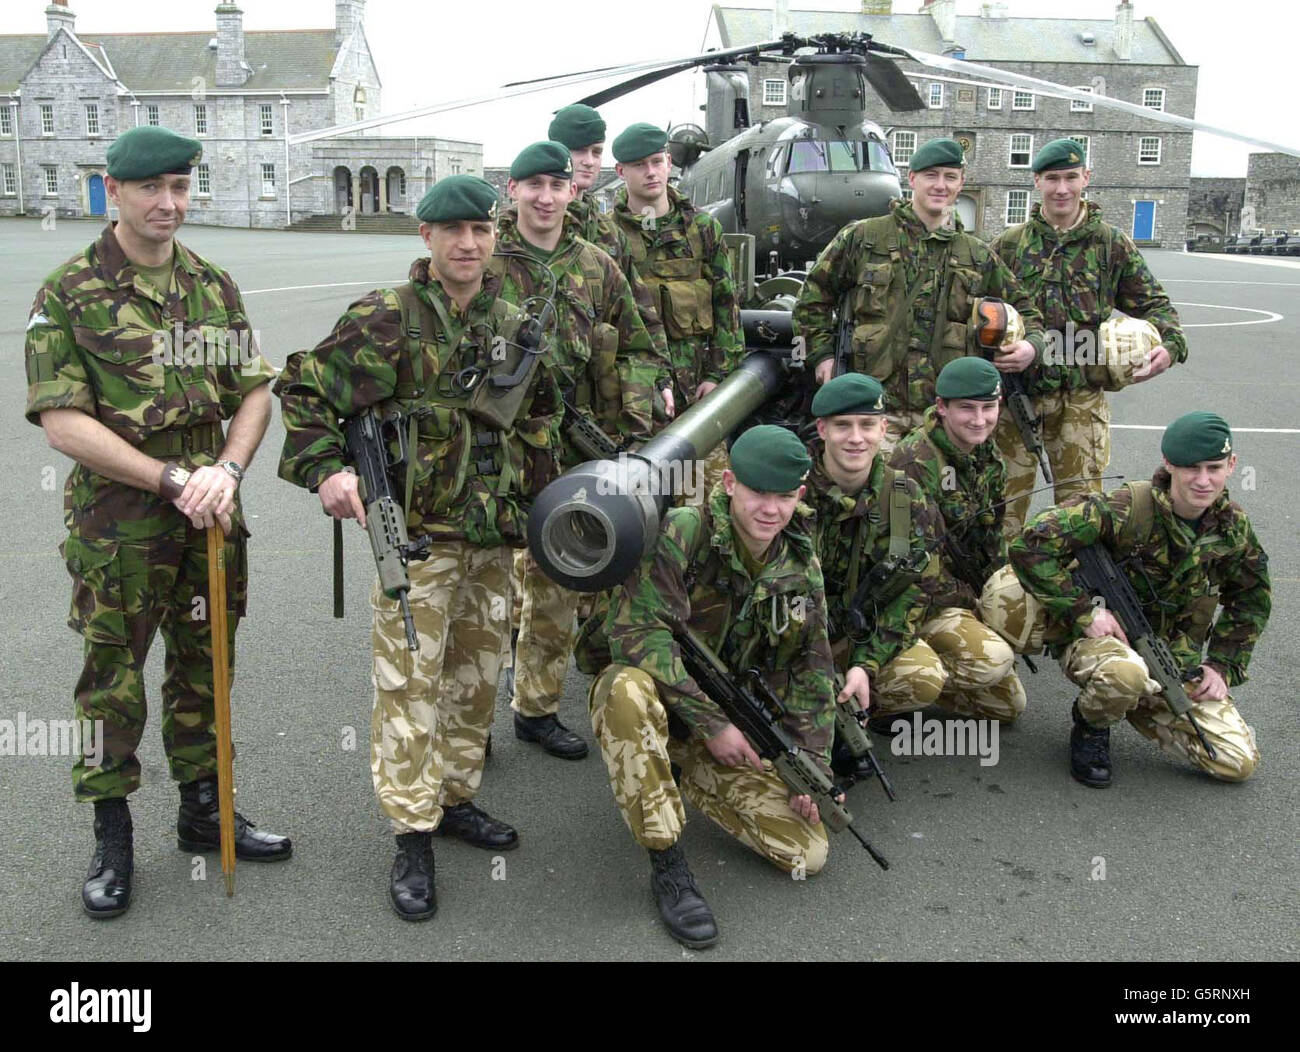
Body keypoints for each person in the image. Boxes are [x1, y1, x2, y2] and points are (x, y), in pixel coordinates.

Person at [275, 176, 563, 920]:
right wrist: (327, 472)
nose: (468, 244)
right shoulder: (386, 319)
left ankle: (456, 798)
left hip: (493, 542)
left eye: (480, 230)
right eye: (452, 231)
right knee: (409, 686)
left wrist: (541, 507)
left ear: (494, 237)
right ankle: (412, 833)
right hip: (418, 544)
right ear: (425, 239)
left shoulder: (511, 322)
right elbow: (305, 391)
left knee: (474, 680)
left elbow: (541, 419)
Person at [24, 125, 291, 919]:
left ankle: (204, 813)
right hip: (120, 531)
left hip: (209, 521)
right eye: (152, 188)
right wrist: (170, 477)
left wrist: (228, 470)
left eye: (180, 186)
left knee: (206, 671)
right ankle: (112, 836)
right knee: (112, 683)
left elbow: (253, 388)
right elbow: (62, 422)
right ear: (115, 189)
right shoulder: (68, 292)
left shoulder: (212, 285)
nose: (170, 203)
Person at [577, 425, 838, 949]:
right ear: (727, 483)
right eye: (758, 493)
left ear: (800, 496)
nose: (771, 509)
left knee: (806, 854)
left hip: (727, 714)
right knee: (623, 689)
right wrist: (712, 723)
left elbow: (812, 666)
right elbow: (637, 635)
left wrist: (812, 762)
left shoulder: (798, 558)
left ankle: (684, 771)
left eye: (784, 497)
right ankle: (667, 861)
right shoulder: (683, 531)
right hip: (661, 697)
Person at [491, 140, 664, 761]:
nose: (544, 197)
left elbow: (645, 347)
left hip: (572, 456)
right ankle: (469, 724)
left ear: (572, 192)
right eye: (531, 185)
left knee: (554, 585)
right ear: (512, 190)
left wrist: (636, 425)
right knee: (483, 593)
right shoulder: (482, 261)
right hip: (491, 455)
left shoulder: (598, 266)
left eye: (555, 186)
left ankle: (535, 710)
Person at [1009, 412, 1267, 787]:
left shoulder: (1232, 527)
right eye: (1190, 468)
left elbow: (1252, 598)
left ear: (1232, 466)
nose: (1203, 480)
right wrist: (1083, 613)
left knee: (1235, 761)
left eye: (1214, 467)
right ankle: (1091, 725)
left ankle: (1132, 700)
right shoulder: (1129, 506)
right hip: (1101, 643)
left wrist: (1223, 665)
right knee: (1124, 673)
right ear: (1168, 464)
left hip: (1170, 660)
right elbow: (1032, 544)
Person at [792, 137, 1045, 454]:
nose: (941, 185)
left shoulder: (976, 254)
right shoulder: (864, 238)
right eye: (931, 175)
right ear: (911, 179)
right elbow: (812, 299)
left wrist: (1031, 346)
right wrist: (822, 356)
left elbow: (1027, 310)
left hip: (943, 416)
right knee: (875, 499)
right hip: (873, 408)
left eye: (950, 177)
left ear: (961, 183)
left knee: (940, 501)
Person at [991, 138, 1188, 534]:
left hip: (1080, 402)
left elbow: (1157, 307)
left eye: (1070, 177)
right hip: (1016, 399)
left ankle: (1075, 595)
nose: (1061, 188)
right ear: (1037, 183)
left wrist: (1170, 346)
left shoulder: (1110, 244)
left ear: (1086, 178)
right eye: (1052, 179)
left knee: (1080, 518)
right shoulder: (1009, 246)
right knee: (1002, 513)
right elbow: (980, 311)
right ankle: (998, 594)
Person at [805, 374, 1003, 747]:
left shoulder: (903, 495)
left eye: (867, 425)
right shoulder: (792, 493)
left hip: (864, 627)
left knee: (929, 678)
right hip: (802, 635)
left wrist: (867, 663)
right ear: (822, 429)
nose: (856, 438)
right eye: (842, 426)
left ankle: (863, 704)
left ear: (883, 429)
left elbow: (916, 590)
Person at [887, 357, 1027, 723]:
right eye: (966, 408)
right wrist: (975, 603)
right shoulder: (913, 463)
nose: (979, 420)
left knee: (1007, 707)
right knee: (990, 661)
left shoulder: (984, 454)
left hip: (958, 587)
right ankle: (890, 688)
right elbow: (910, 563)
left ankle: (930, 671)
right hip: (915, 600)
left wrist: (1000, 589)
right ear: (941, 408)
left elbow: (992, 535)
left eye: (988, 407)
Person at [610, 122, 741, 433]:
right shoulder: (608, 236)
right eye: (639, 165)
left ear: (669, 163)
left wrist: (717, 376)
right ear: (620, 171)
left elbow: (727, 306)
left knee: (696, 479)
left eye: (657, 162)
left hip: (697, 391)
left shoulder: (703, 228)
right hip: (634, 396)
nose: (651, 172)